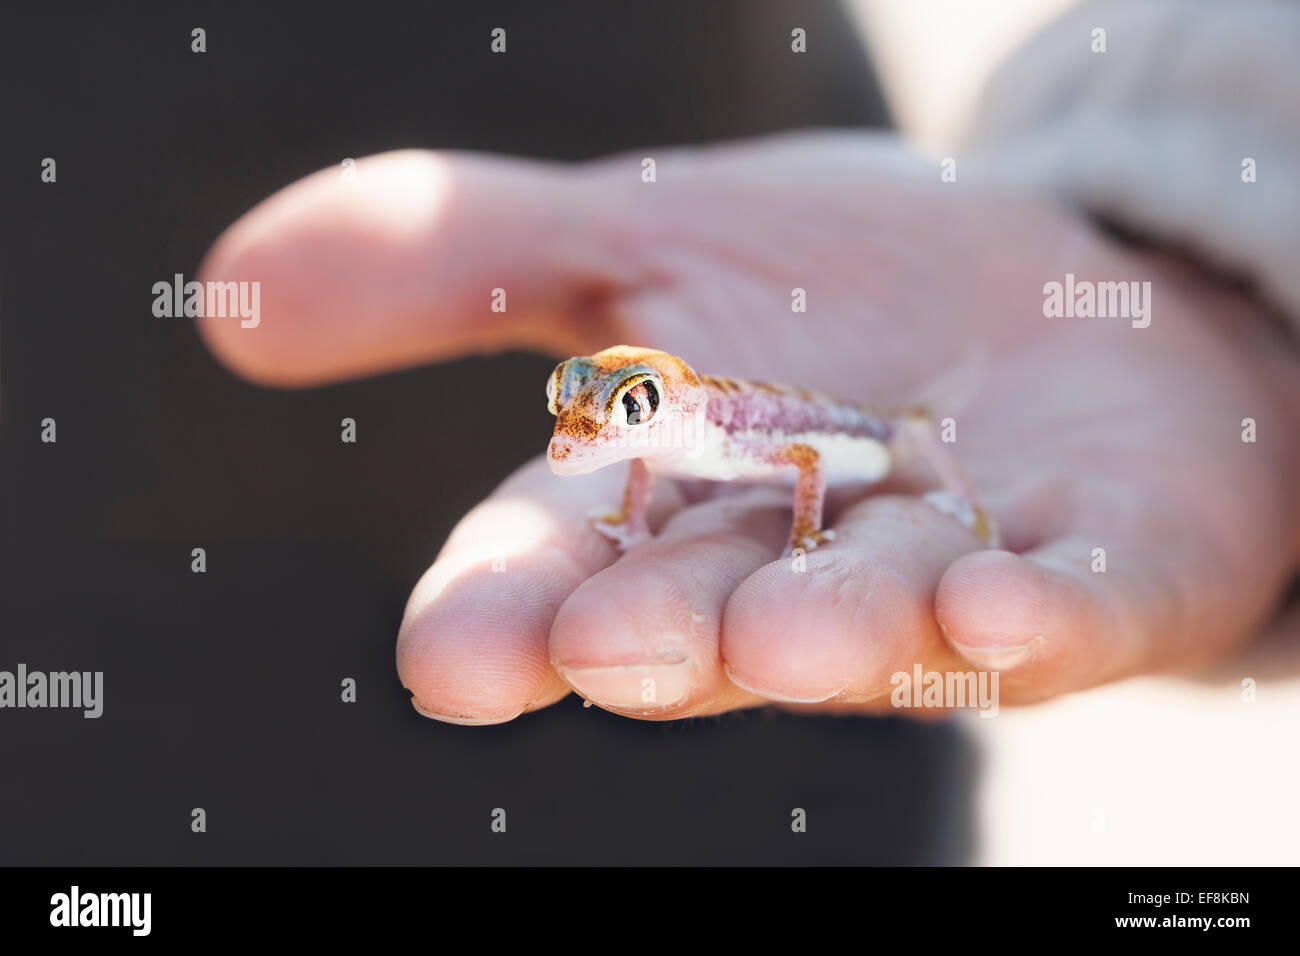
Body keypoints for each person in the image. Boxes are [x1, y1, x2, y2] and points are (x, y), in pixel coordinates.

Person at [196, 0, 1300, 725]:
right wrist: (630, 511)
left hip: (871, 434)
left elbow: (808, 470)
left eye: (616, 407)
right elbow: (639, 461)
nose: (595, 430)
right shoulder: (661, 438)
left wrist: (812, 533)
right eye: (583, 409)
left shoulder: (740, 434)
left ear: (665, 397)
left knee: (913, 469)